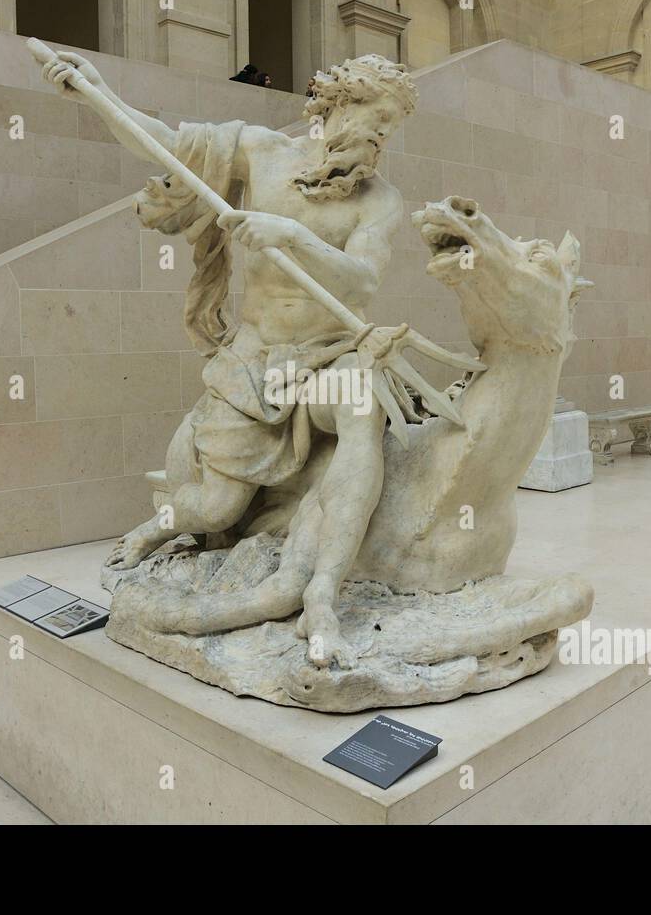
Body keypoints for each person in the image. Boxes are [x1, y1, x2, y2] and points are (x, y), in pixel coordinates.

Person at [43, 51, 419, 665]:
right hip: (255, 363)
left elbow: (362, 282)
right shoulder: (259, 151)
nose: (382, 137)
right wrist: (95, 91)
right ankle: (156, 526)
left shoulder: (378, 200)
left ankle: (321, 589)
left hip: (327, 357)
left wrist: (293, 237)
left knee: (361, 408)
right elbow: (162, 144)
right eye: (378, 118)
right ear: (339, 105)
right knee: (215, 509)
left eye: (390, 128)